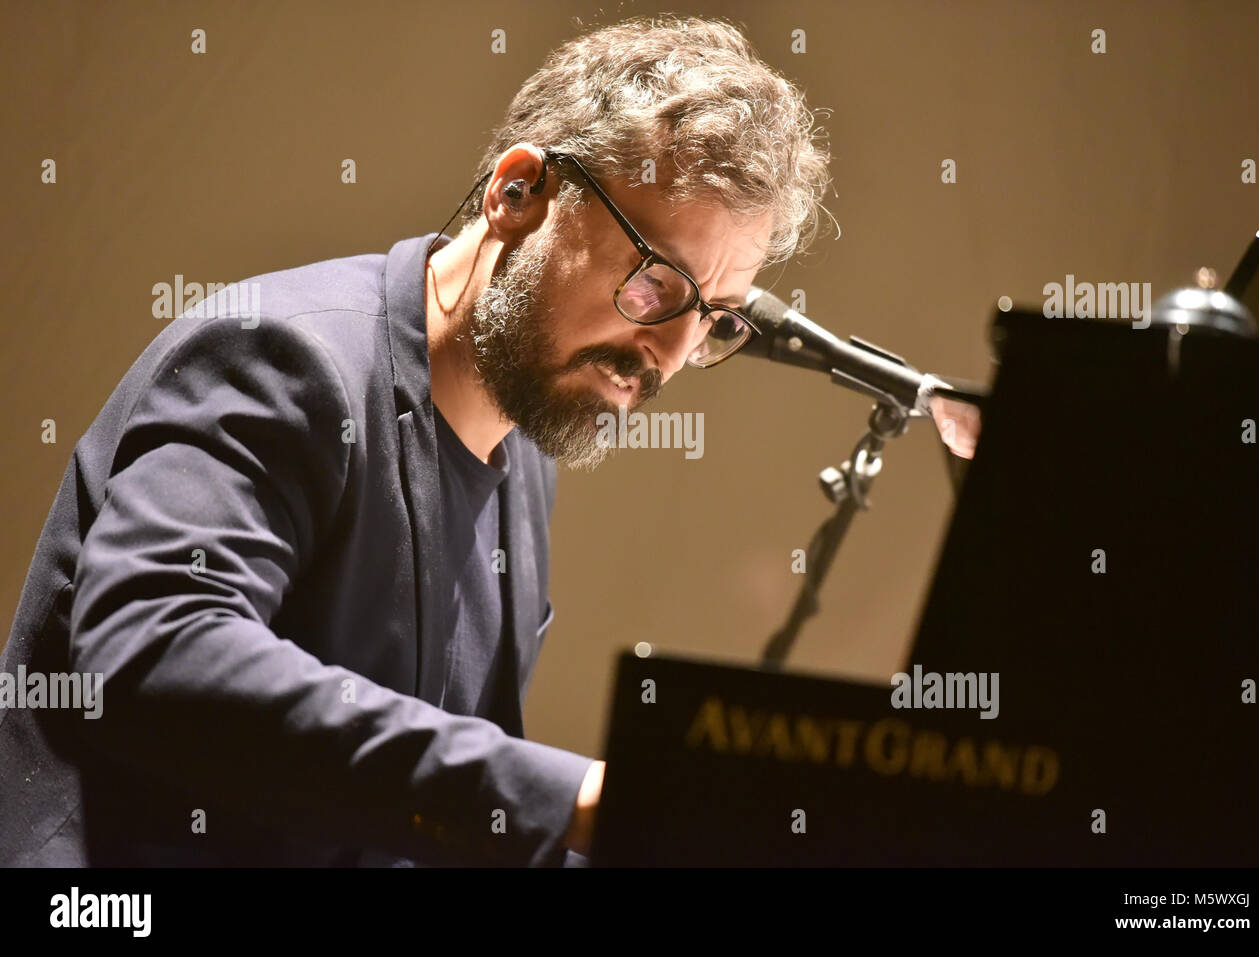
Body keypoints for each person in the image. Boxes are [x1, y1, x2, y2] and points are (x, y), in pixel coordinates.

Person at [0, 15, 973, 866]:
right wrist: (572, 800)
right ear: (518, 194)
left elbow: (427, 814)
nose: (670, 355)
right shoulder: (287, 358)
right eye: (655, 283)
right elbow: (153, 651)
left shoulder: (523, 461)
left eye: (713, 318)